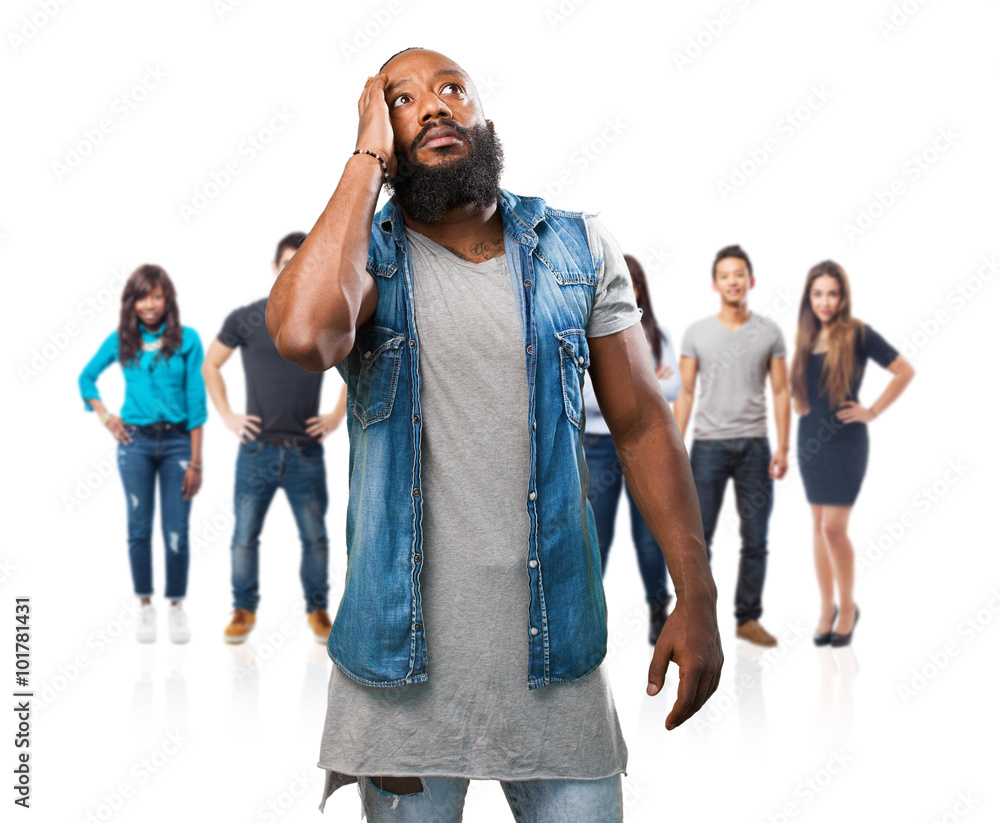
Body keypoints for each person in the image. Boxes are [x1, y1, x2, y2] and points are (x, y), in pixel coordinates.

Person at [265, 47, 723, 822]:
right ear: (383, 128)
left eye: (452, 90)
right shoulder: (362, 257)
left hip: (557, 659)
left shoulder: (576, 247)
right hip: (398, 677)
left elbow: (643, 424)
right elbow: (308, 333)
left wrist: (699, 590)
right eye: (404, 100)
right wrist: (365, 158)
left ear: (482, 115)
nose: (436, 106)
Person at [202, 232, 347, 645]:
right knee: (244, 536)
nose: (292, 270)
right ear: (274, 267)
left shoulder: (323, 318)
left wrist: (336, 414)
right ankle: (243, 610)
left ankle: (318, 610)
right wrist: (229, 416)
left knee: (315, 537)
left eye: (301, 262)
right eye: (286, 262)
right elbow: (211, 365)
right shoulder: (246, 319)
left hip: (306, 453)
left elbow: (361, 366)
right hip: (256, 451)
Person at [79, 264, 207, 643]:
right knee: (138, 527)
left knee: (176, 529)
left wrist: (196, 462)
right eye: (141, 296)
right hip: (133, 444)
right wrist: (105, 417)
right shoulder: (121, 341)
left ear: (166, 298)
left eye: (156, 295)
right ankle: (146, 606)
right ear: (130, 302)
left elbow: (196, 401)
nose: (149, 304)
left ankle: (176, 606)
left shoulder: (187, 339)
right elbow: (86, 378)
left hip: (178, 445)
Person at [790, 261, 914, 647]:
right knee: (816, 526)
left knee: (833, 528)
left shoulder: (858, 334)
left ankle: (847, 606)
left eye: (832, 293)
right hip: (811, 440)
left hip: (847, 443)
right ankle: (826, 606)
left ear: (842, 297)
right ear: (809, 298)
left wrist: (872, 410)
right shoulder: (807, 335)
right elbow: (806, 383)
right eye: (818, 293)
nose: (825, 301)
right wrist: (798, 399)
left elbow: (904, 370)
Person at [673, 245, 790, 648]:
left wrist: (783, 447)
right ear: (715, 283)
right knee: (696, 538)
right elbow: (685, 393)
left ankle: (748, 618)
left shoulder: (770, 332)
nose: (733, 281)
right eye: (725, 275)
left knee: (755, 538)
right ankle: (697, 616)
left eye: (739, 274)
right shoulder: (697, 333)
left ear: (750, 281)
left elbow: (780, 391)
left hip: (755, 447)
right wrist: (672, 450)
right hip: (707, 447)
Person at [582, 254, 681, 645]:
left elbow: (672, 391)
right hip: (597, 446)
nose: (627, 287)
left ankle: (659, 608)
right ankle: (591, 613)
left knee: (649, 535)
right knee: (597, 534)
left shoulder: (656, 334)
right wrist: (647, 382)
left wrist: (630, 388)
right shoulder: (587, 331)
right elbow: (586, 397)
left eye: (633, 281)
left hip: (645, 448)